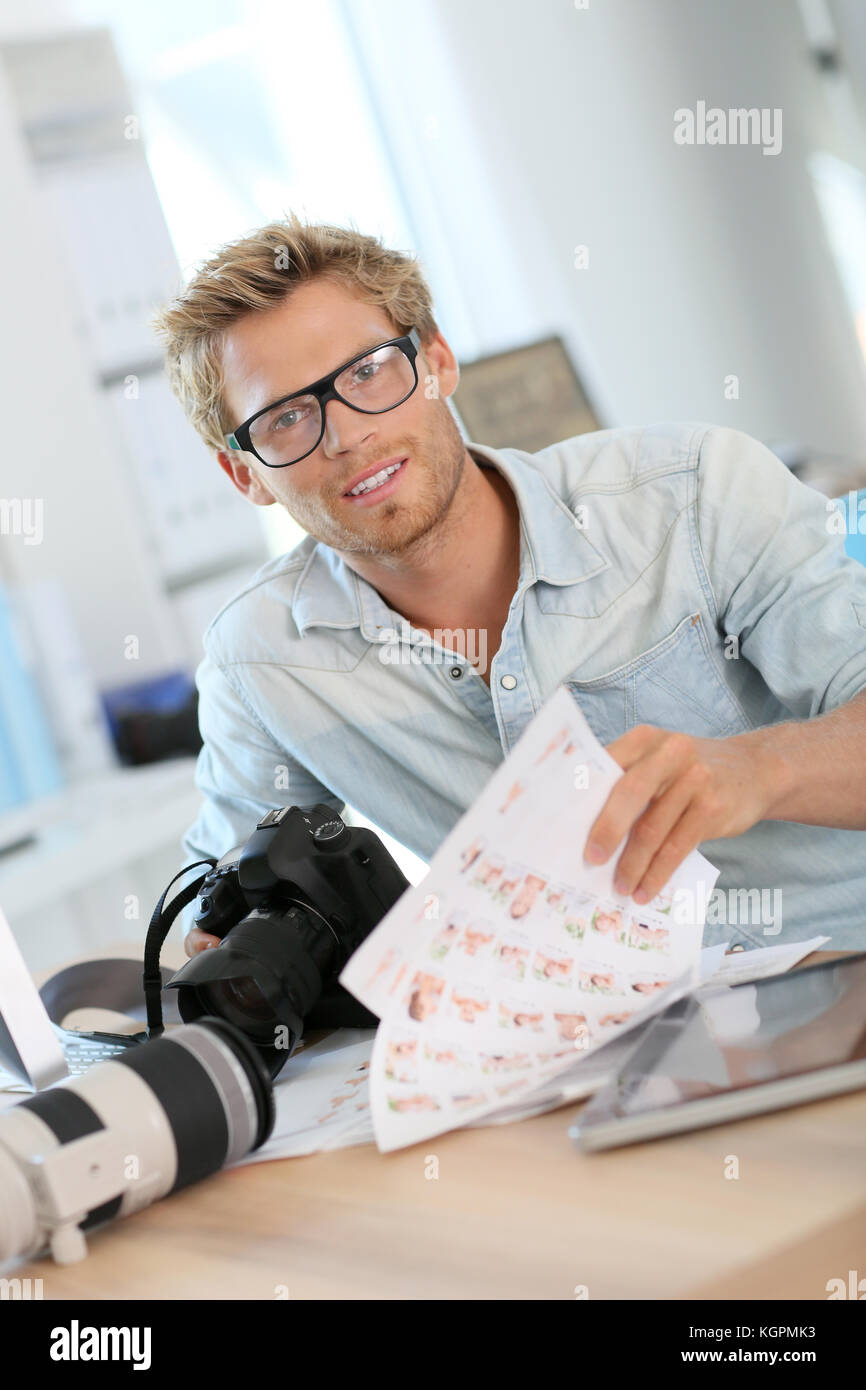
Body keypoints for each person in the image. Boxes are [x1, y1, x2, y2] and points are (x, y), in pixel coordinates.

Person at [152, 216, 866, 957]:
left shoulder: (693, 493)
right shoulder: (262, 662)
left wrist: (762, 768)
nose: (345, 437)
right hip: (605, 1055)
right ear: (244, 474)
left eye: (368, 371)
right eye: (286, 417)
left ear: (437, 361)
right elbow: (218, 902)